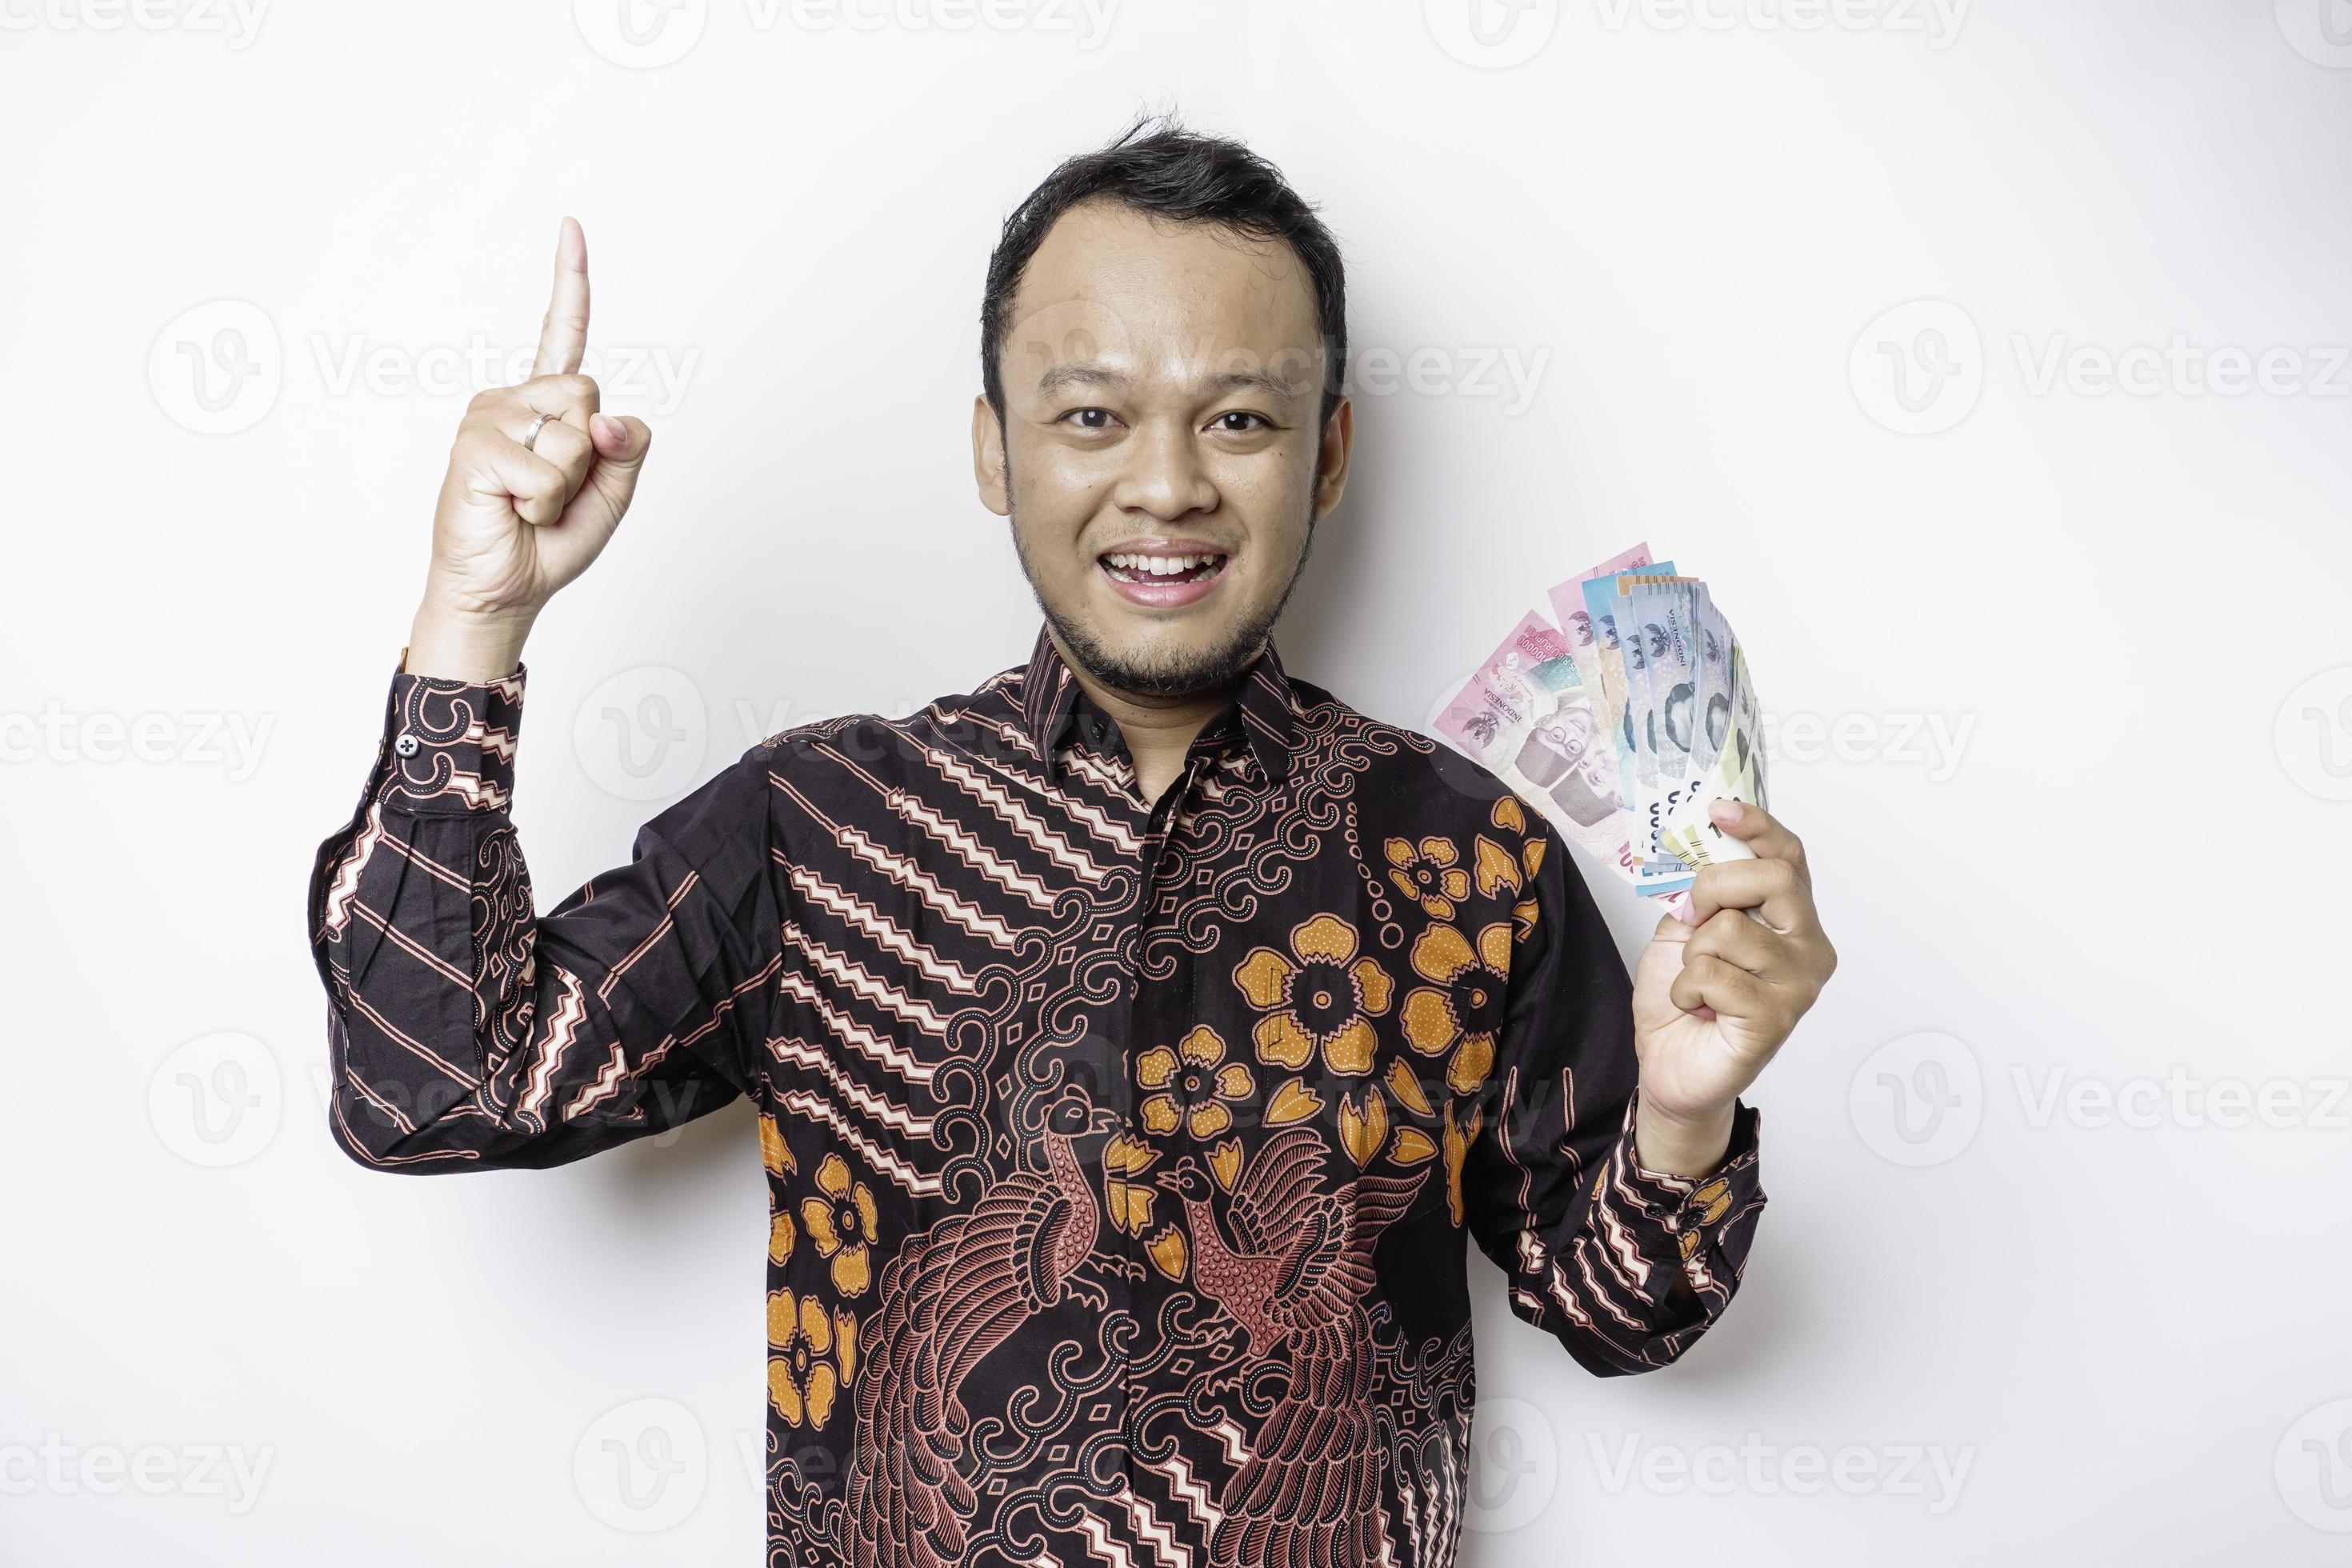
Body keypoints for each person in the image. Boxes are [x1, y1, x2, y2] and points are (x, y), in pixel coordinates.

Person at [306, 119, 1837, 1567]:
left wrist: (1688, 1117)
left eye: (1238, 417)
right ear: (996, 450)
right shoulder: (817, 830)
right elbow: (430, 1092)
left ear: (1329, 454)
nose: (1165, 484)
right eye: (1092, 413)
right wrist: (475, 622)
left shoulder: (1473, 861)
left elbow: (1625, 1316)